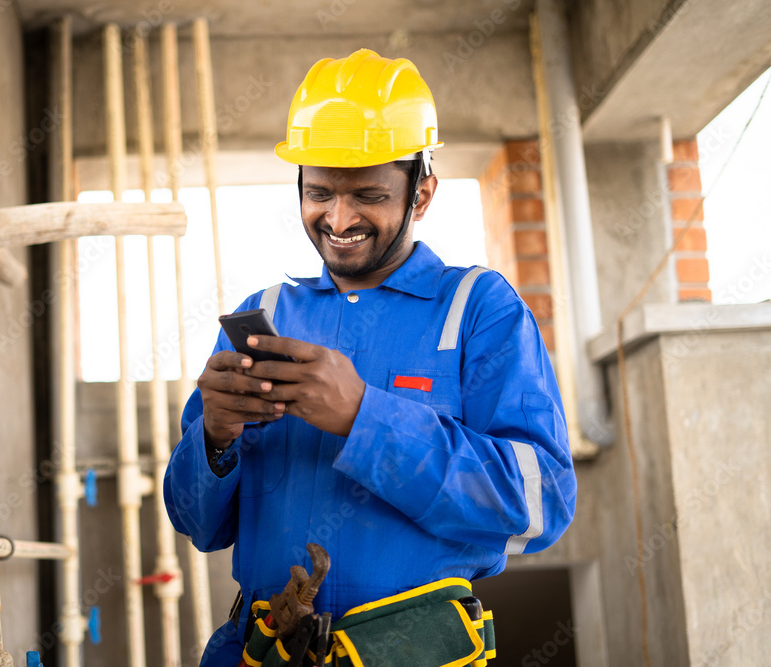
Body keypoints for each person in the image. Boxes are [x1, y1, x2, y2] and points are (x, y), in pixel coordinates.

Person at [164, 48, 576, 666]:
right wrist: (216, 438)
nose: (339, 218)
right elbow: (198, 525)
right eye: (319, 192)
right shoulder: (267, 314)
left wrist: (364, 416)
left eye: (368, 195)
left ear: (423, 191)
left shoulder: (478, 308)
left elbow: (540, 504)